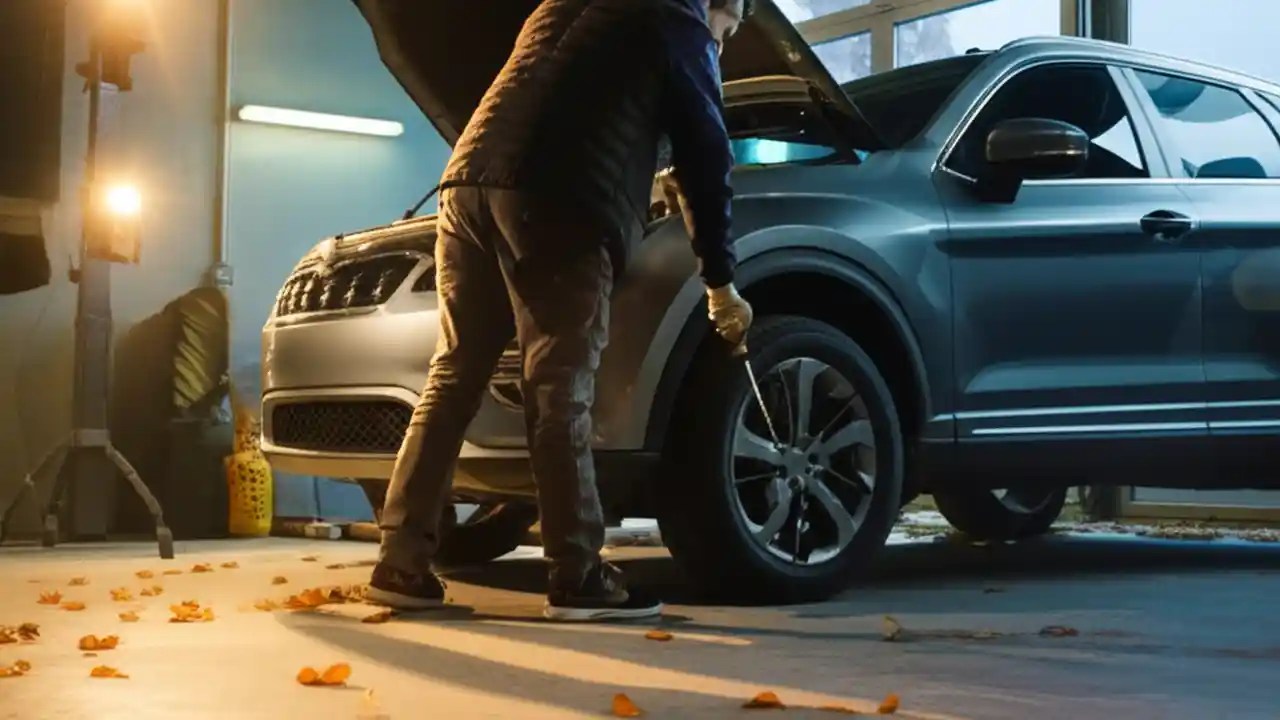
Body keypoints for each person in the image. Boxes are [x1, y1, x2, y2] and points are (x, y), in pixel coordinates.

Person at [367, 0, 755, 621]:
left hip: (467, 184)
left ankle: (400, 560)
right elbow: (707, 153)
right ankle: (577, 575)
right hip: (560, 201)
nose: (725, 44)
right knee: (558, 388)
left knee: (455, 372)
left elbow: (572, 98)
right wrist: (720, 282)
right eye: (729, 30)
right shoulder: (680, 17)